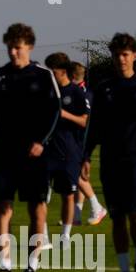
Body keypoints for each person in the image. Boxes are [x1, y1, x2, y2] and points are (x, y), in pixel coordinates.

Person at [0, 23, 61, 272]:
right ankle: (5, 268)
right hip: (5, 154)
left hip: (35, 155)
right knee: (3, 209)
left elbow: (55, 112)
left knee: (37, 211)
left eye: (18, 47)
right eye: (10, 46)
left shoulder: (43, 76)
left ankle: (32, 268)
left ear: (29, 47)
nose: (13, 51)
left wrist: (41, 142)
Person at [82, 33, 136, 272]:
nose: (121, 59)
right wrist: (85, 156)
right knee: (117, 219)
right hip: (111, 163)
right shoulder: (105, 88)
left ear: (134, 56)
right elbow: (93, 128)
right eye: (117, 55)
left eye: (126, 54)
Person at [43, 53, 89, 245]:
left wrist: (64, 114)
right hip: (45, 152)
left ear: (61, 71)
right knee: (41, 198)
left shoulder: (76, 93)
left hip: (69, 152)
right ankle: (42, 236)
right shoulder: (46, 93)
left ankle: (65, 235)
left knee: (68, 195)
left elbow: (85, 121)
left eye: (51, 70)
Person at [70, 61, 107, 227]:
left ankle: (96, 207)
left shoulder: (82, 93)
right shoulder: (84, 91)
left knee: (75, 174)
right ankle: (76, 215)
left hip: (81, 139)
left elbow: (85, 120)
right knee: (78, 176)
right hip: (79, 139)